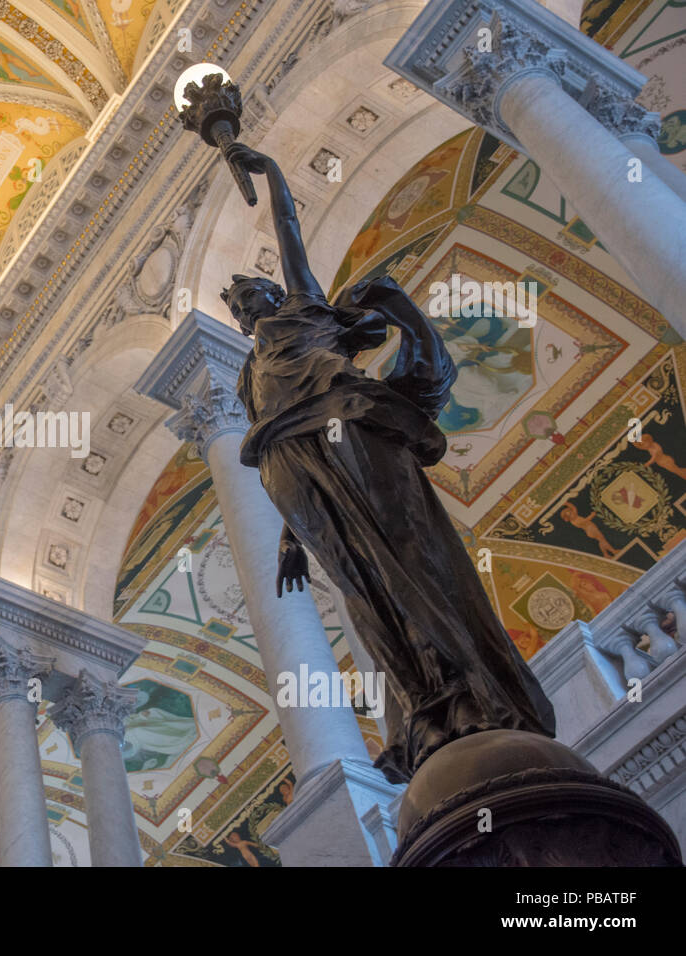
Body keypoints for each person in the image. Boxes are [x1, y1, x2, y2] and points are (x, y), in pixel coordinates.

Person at [219, 142, 556, 783]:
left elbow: (287, 227)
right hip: (294, 472)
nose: (243, 306)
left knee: (407, 558)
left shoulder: (304, 310)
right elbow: (267, 432)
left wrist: (268, 167)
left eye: (250, 291)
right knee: (363, 588)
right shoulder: (245, 375)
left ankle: (478, 695)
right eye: (236, 306)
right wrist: (291, 535)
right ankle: (425, 713)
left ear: (272, 289)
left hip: (348, 426)